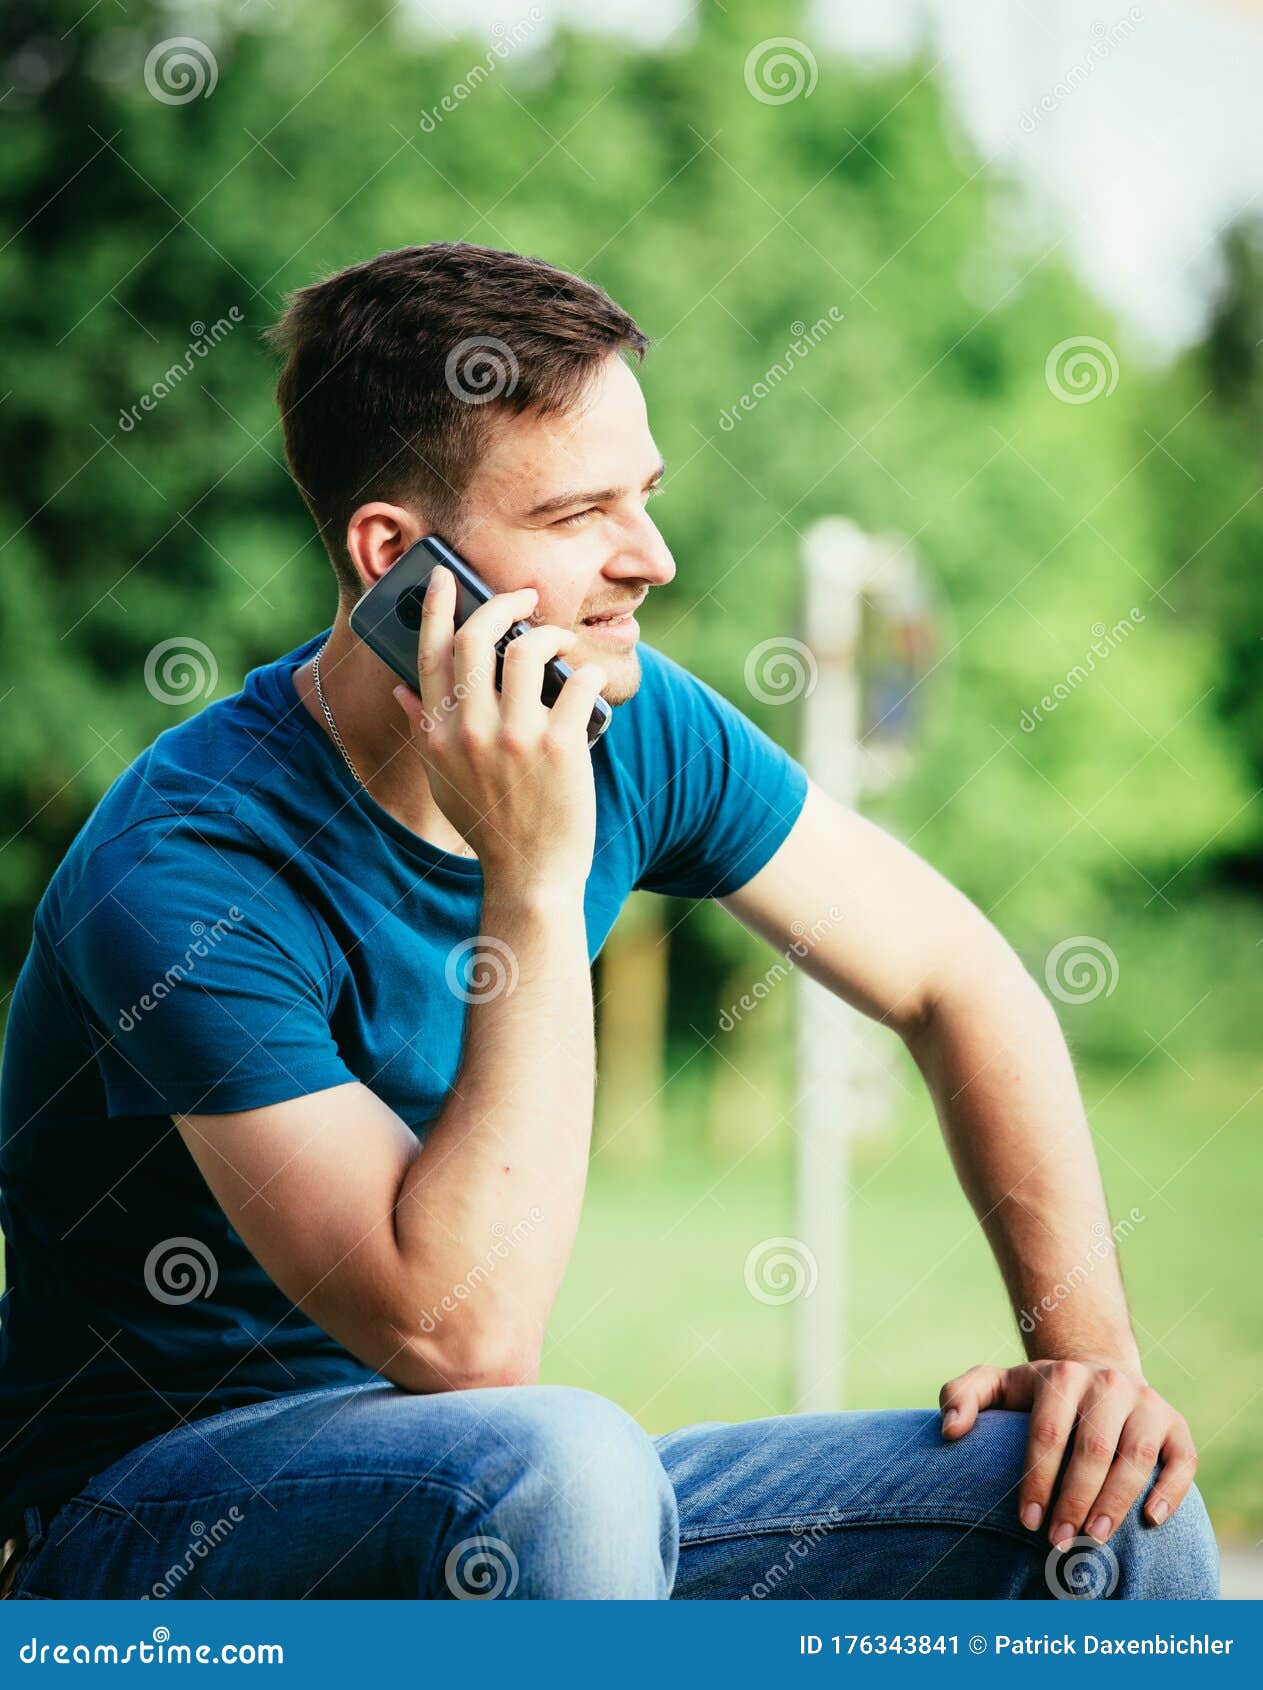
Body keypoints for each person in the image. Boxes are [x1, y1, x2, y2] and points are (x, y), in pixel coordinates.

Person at [0, 243, 1217, 1601]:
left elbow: (955, 978)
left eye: (641, 497)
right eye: (583, 513)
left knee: (1122, 1519)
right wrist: (534, 874)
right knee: (557, 1460)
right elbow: (461, 1339)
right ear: (398, 558)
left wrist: (1093, 1360)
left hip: (495, 1483)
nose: (652, 559)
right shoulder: (180, 869)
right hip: (145, 1527)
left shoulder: (638, 722)